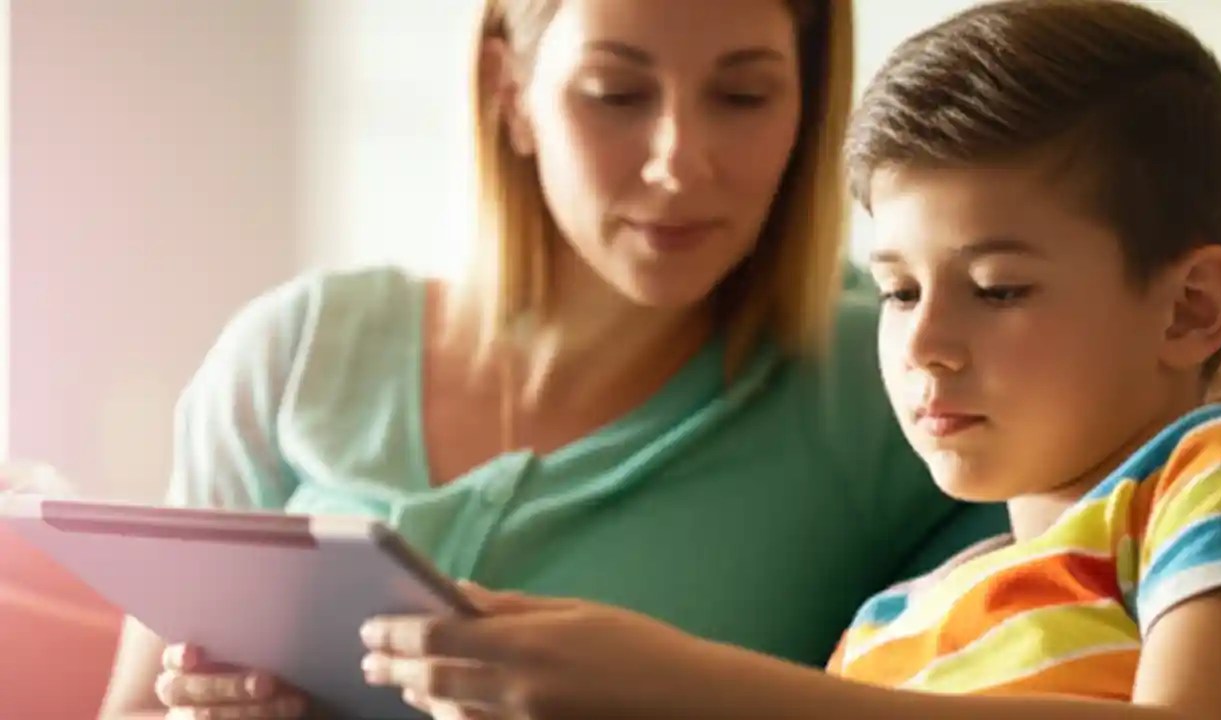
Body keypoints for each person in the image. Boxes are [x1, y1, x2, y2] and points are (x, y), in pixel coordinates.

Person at [365, 1, 1221, 718]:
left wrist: (687, 687)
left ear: (1192, 308)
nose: (923, 344)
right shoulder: (891, 627)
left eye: (998, 288)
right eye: (899, 291)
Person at [97, 1, 1011, 718]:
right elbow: (135, 709)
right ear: (510, 91)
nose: (680, 164)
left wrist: (679, 692)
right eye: (616, 94)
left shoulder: (903, 377)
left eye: (742, 97)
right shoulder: (293, 351)